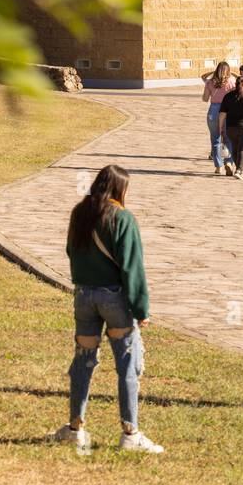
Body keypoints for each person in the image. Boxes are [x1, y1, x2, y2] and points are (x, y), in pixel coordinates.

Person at [51, 165, 163, 453]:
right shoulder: (122, 218)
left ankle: (75, 428)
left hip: (84, 296)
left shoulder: (80, 213)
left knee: (83, 362)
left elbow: (70, 251)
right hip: (115, 300)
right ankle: (130, 433)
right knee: (127, 365)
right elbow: (132, 266)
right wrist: (141, 308)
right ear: (119, 189)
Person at [200, 61, 236, 175]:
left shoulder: (210, 82)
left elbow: (205, 99)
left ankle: (218, 166)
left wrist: (214, 73)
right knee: (228, 138)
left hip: (214, 110)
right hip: (228, 110)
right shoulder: (232, 82)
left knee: (215, 138)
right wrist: (232, 73)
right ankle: (229, 162)